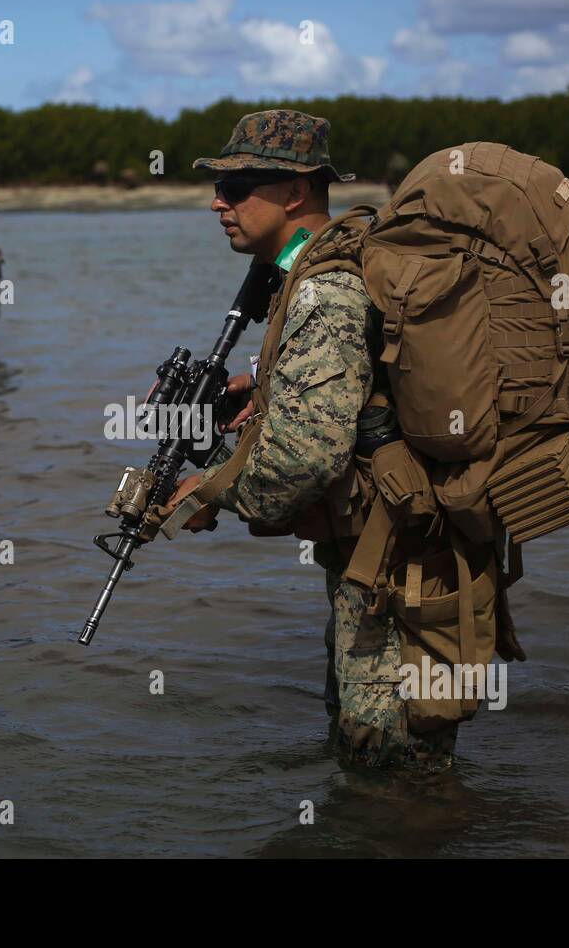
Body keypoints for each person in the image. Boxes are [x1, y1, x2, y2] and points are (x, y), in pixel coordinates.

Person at [159, 109, 455, 768]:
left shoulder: (325, 290)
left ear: (295, 191)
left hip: (397, 569)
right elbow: (343, 405)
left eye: (237, 189)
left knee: (391, 775)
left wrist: (211, 493)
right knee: (371, 755)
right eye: (219, 188)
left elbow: (305, 457)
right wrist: (248, 396)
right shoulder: (317, 270)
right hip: (379, 560)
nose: (218, 203)